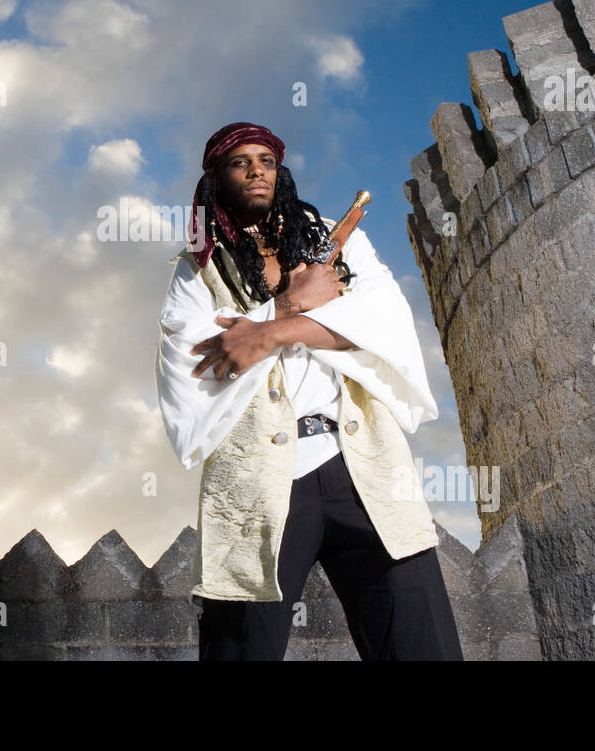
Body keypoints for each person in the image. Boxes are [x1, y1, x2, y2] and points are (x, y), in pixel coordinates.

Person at [154, 121, 464, 660]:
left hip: (360, 461)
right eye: (239, 162)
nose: (256, 170)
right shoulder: (195, 271)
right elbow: (202, 364)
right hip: (256, 475)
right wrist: (290, 305)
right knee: (240, 648)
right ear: (215, 180)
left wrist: (267, 332)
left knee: (421, 640)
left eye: (267, 160)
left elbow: (384, 323)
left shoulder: (337, 238)